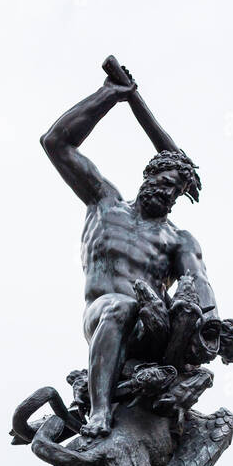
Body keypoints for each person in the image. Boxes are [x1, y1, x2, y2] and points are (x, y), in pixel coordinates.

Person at [40, 71, 214, 439]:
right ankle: (98, 411)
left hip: (150, 330)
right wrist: (108, 95)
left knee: (148, 307)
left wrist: (214, 326)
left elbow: (199, 286)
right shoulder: (106, 203)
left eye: (176, 193)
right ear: (147, 177)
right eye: (164, 184)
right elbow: (55, 142)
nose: (168, 195)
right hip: (104, 314)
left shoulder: (177, 239)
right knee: (119, 304)